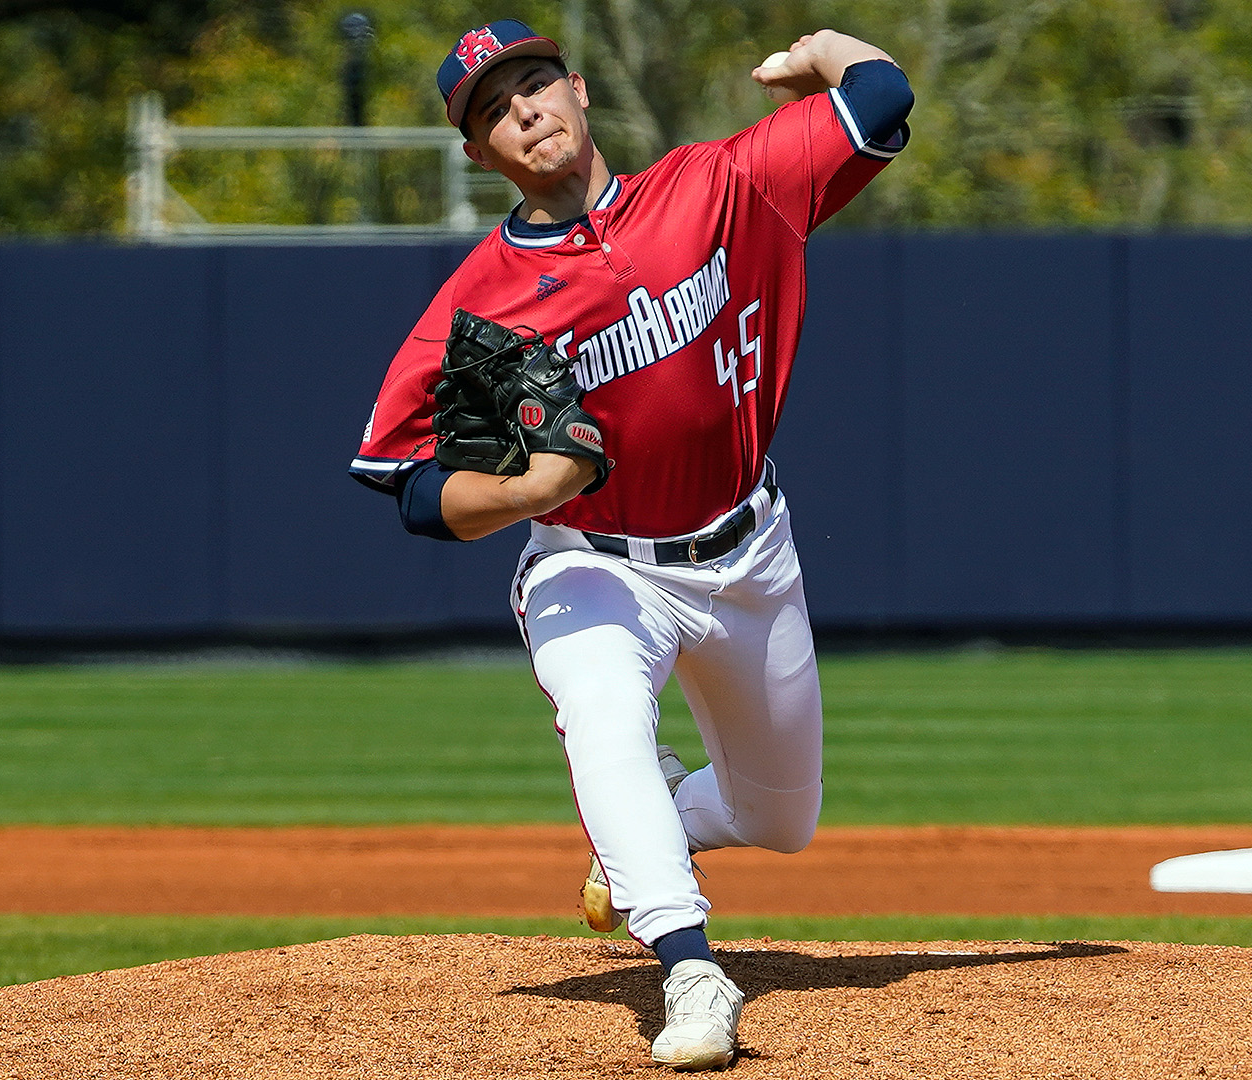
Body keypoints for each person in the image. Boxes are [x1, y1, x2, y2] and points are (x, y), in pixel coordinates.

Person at [348, 18, 911, 1070]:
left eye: (532, 85)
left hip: (749, 551)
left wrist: (825, 46)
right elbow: (408, 485)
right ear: (479, 154)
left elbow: (880, 106)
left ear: (579, 90)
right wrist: (528, 490)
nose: (522, 111)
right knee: (601, 707)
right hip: (592, 561)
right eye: (492, 110)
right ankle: (692, 969)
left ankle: (642, 830)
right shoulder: (478, 300)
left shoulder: (720, 188)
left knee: (777, 817)